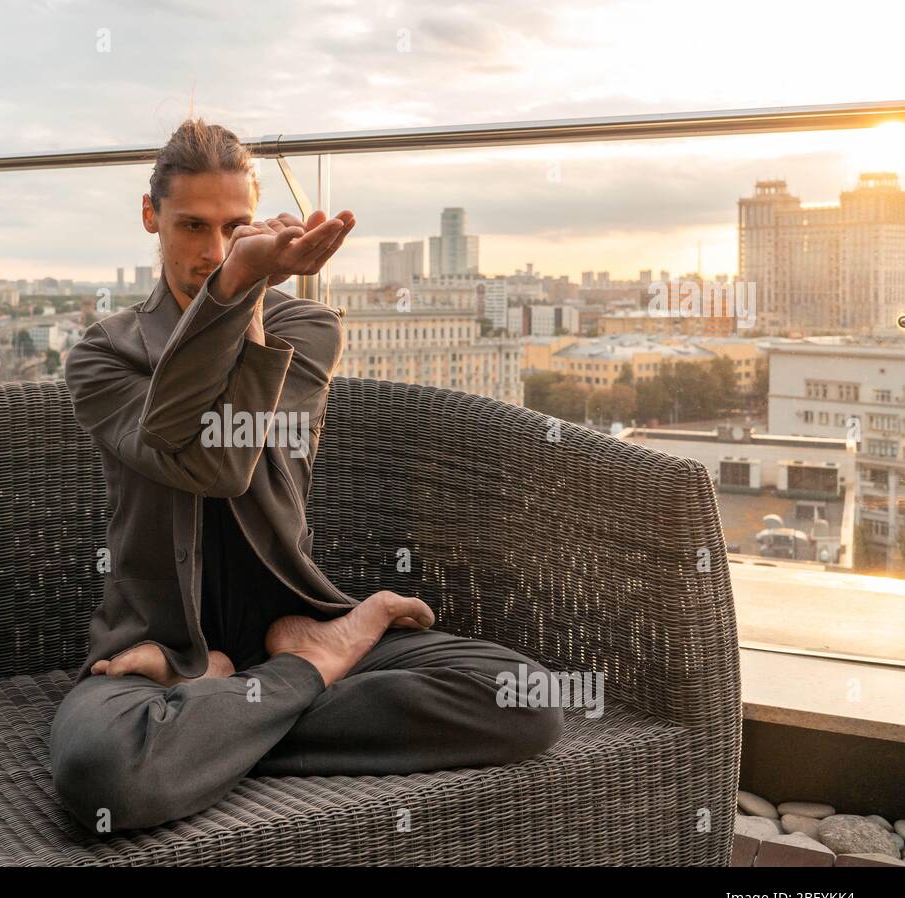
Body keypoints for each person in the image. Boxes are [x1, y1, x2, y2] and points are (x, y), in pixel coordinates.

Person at [51, 117, 563, 833]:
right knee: (102, 774)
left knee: (525, 699)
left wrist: (246, 299)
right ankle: (280, 677)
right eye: (192, 226)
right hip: (154, 645)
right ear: (150, 218)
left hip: (289, 616)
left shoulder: (308, 329)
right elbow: (213, 462)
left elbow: (231, 453)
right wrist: (237, 286)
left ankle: (206, 712)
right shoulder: (102, 356)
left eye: (234, 228)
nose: (213, 251)